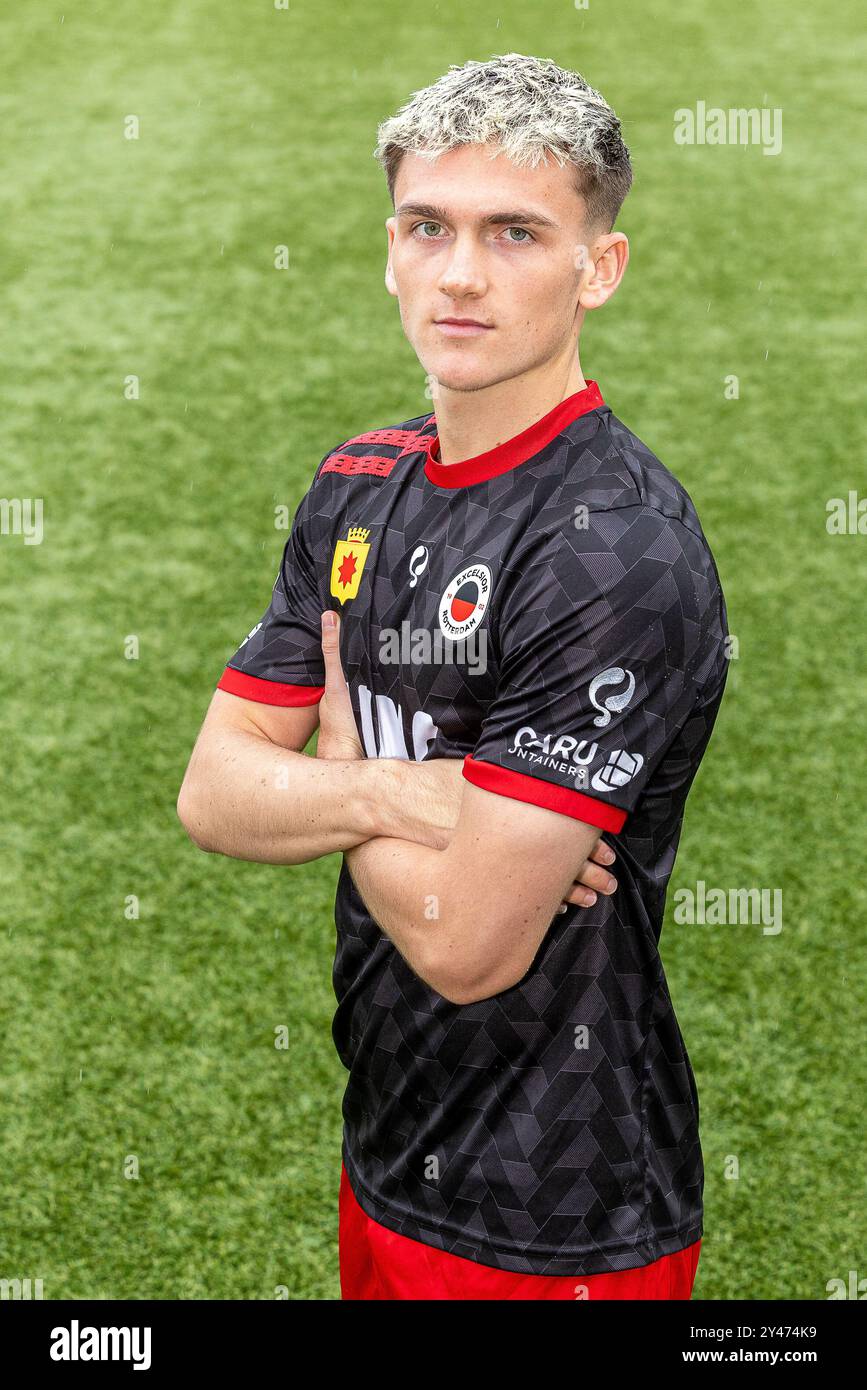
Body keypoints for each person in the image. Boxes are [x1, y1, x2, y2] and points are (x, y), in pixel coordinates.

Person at [177, 52, 729, 1300]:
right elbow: (213, 794)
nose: (461, 274)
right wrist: (410, 794)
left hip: (560, 1208)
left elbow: (466, 943)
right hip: (386, 1142)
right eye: (431, 225)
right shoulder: (360, 480)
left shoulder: (616, 550)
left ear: (601, 268)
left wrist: (337, 771)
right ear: (390, 248)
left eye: (517, 232)